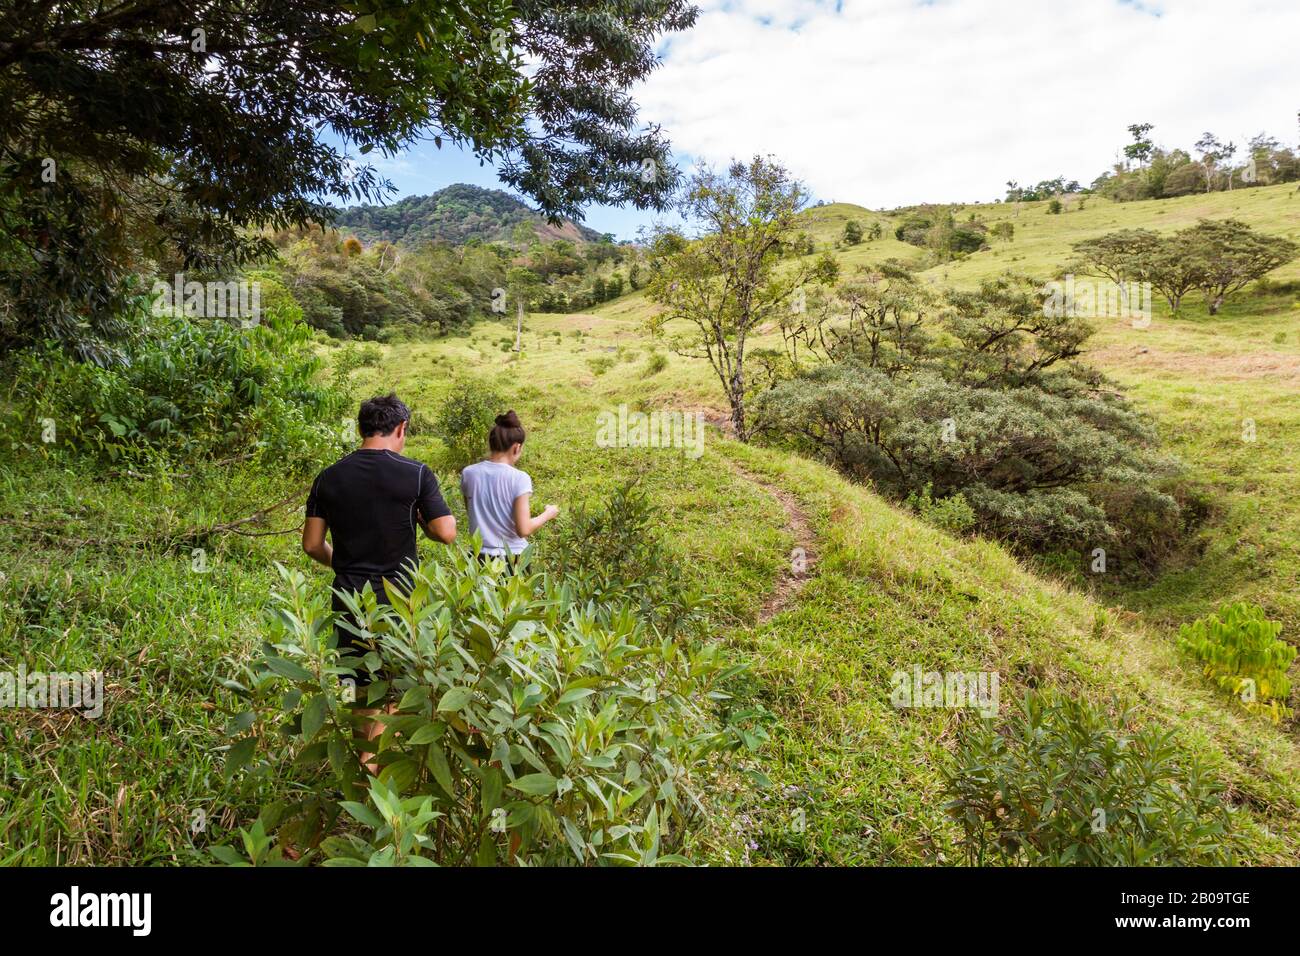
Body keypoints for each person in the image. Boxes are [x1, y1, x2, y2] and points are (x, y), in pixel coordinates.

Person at [302, 393, 455, 762]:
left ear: (360, 429)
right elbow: (447, 532)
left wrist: (344, 563)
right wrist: (422, 521)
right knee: (392, 685)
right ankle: (380, 771)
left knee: (355, 684)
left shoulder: (329, 477)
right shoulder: (416, 474)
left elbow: (311, 544)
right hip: (398, 599)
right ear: (401, 429)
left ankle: (362, 762)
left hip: (349, 597)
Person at [460, 410, 558, 565]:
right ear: (516, 447)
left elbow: (472, 512)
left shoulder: (469, 473)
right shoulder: (520, 478)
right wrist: (548, 514)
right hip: (512, 558)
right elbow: (523, 530)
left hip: (477, 558)